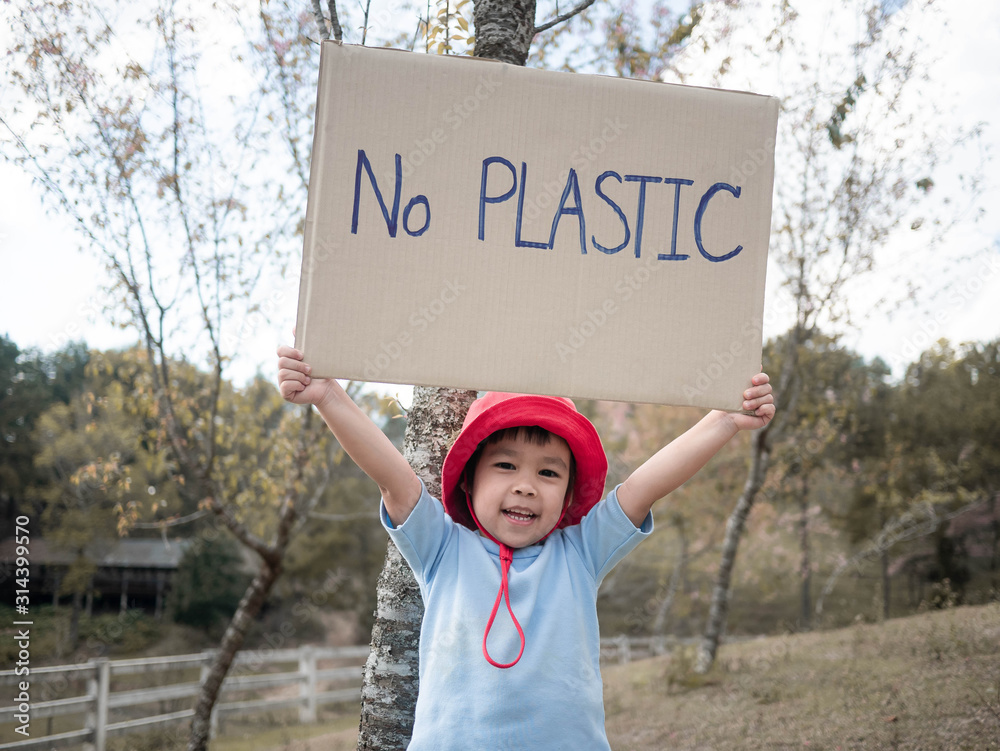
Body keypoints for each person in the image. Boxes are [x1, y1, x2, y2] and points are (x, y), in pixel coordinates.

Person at [276, 343, 774, 750]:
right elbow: (393, 479)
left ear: (568, 493)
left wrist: (725, 421)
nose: (526, 486)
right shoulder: (442, 549)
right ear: (469, 483)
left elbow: (644, 487)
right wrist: (328, 396)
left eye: (549, 472)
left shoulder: (580, 553)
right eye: (506, 465)